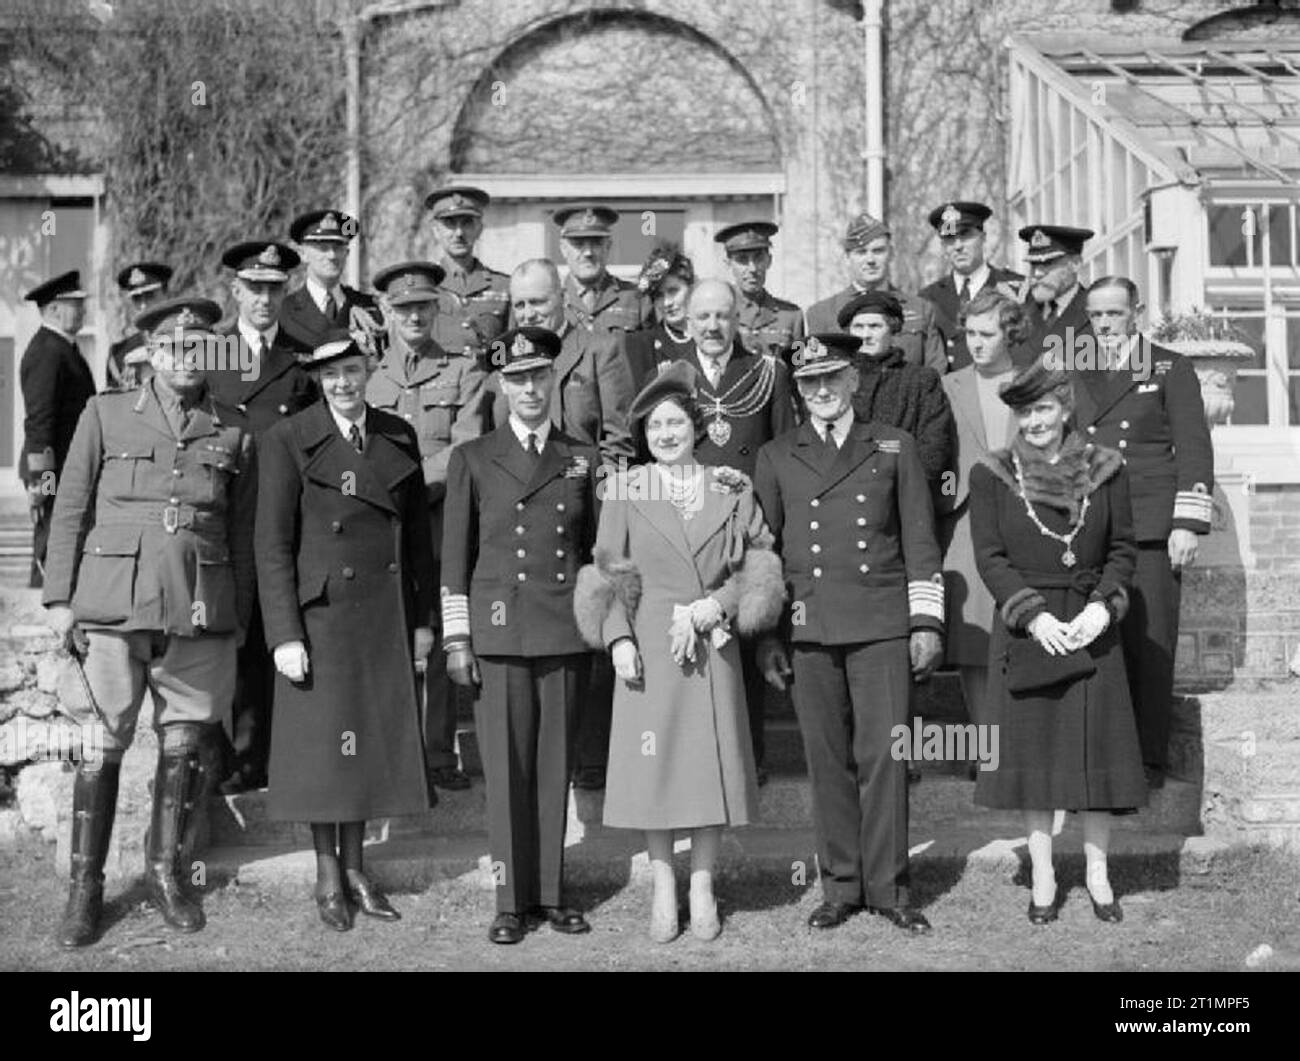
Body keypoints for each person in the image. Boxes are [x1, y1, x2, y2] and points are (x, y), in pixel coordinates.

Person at [42, 296, 257, 947]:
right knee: (103, 740)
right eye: (174, 346)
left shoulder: (235, 428)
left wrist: (238, 615)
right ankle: (86, 887)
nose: (186, 357)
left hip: (200, 604)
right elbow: (71, 504)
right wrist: (59, 598)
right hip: (112, 601)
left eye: (200, 347)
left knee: (185, 742)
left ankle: (166, 873)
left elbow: (243, 533)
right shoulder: (105, 412)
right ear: (152, 351)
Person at [574, 361, 785, 942]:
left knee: (706, 767)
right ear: (643, 437)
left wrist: (717, 605)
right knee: (657, 768)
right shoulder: (623, 488)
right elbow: (607, 569)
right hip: (648, 648)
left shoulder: (731, 487)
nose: (665, 435)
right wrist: (617, 637)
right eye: (654, 428)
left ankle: (703, 883)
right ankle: (664, 884)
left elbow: (759, 560)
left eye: (675, 423)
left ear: (696, 427)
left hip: (710, 645)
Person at [754, 333, 944, 934]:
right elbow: (765, 554)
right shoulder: (778, 454)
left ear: (855, 381)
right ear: (799, 391)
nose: (823, 390)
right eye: (810, 382)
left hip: (882, 624)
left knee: (885, 757)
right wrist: (766, 636)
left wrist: (926, 621)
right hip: (809, 627)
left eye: (833, 377)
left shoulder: (892, 444)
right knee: (827, 760)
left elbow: (919, 539)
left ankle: (889, 887)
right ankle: (840, 885)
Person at [255, 331, 435, 931]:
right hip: (321, 617)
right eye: (331, 375)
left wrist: (424, 622)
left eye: (352, 371)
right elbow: (273, 545)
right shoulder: (289, 438)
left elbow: (417, 544)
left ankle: (358, 869)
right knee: (324, 753)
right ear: (318, 380)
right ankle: (327, 872)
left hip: (382, 615)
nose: (343, 383)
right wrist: (284, 634)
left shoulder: (396, 434)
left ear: (368, 371)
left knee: (363, 744)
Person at [441, 326, 602, 945]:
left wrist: (601, 626)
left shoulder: (582, 457)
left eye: (539, 376)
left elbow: (594, 551)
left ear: (553, 380)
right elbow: (454, 561)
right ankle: (510, 901)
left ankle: (553, 894)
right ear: (501, 386)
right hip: (498, 636)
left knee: (554, 767)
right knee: (506, 773)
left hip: (562, 631)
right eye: (517, 379)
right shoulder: (473, 458)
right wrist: (458, 641)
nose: (530, 389)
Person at [970, 360, 1144, 924]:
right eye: (1024, 411)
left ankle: (1098, 873)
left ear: (1065, 409)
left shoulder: (1106, 469)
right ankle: (1043, 874)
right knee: (1036, 754)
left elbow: (1123, 549)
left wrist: (1103, 607)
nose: (1035, 420)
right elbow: (990, 558)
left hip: (1091, 625)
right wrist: (1032, 616)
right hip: (1031, 627)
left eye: (1044, 408)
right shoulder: (992, 473)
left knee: (1097, 752)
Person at [1073, 276, 1214, 788]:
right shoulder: (1076, 367)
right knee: (1095, 641)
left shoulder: (1169, 367)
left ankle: (1149, 762)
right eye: (1096, 315)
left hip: (1151, 526)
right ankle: (1103, 759)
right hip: (1090, 525)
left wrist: (1187, 523)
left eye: (1114, 313)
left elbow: (1193, 446)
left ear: (1137, 311)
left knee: (1149, 645)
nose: (1105, 324)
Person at [670, 277, 797, 785]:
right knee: (693, 644)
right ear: (687, 321)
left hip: (749, 533)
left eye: (722, 315)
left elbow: (785, 452)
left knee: (746, 646)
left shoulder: (767, 373)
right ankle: (695, 763)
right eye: (702, 317)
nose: (712, 326)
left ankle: (749, 759)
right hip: (689, 533)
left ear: (737, 316)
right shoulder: (670, 377)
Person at [367, 260, 488, 791]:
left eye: (422, 306)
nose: (413, 316)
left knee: (438, 637)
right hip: (382, 528)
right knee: (387, 636)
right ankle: (391, 755)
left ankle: (438, 753)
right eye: (403, 308)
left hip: (439, 524)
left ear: (436, 309)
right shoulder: (368, 376)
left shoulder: (463, 371)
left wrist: (410, 483)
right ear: (388, 314)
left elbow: (466, 446)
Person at [208, 238, 318, 793]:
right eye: (254, 288)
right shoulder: (210, 354)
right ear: (235, 291)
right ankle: (215, 758)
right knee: (219, 632)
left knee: (267, 636)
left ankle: (259, 761)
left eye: (275, 289)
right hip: (221, 515)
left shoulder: (302, 360)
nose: (264, 299)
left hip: (278, 518)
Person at [936, 290, 1025, 736]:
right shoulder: (948, 385)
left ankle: (1018, 743)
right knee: (971, 637)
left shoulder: (1036, 380)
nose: (976, 343)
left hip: (1024, 520)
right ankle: (984, 743)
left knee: (1021, 627)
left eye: (987, 334)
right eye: (970, 333)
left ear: (1009, 332)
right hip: (966, 524)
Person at [18, 270, 95, 590]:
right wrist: (42, 482)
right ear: (53, 310)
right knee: (51, 539)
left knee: (64, 537)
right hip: (53, 471)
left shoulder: (64, 349)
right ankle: (41, 610)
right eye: (75, 305)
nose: (83, 311)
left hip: (65, 466)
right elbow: (40, 421)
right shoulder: (48, 352)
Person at [837, 290, 954, 485]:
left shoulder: (921, 381)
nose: (866, 335)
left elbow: (935, 448)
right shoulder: (835, 379)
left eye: (875, 326)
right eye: (858, 327)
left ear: (892, 330)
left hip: (903, 494)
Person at [805, 213, 945, 374]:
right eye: (861, 252)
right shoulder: (821, 314)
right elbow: (811, 373)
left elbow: (937, 371)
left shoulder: (921, 309)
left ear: (891, 253)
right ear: (847, 257)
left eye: (878, 251)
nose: (870, 260)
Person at [919, 202, 1024, 372]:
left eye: (966, 236)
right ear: (943, 246)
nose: (958, 246)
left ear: (983, 237)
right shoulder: (928, 298)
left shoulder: (1015, 290)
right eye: (950, 239)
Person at [424, 186, 511, 359]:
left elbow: (506, 352)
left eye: (467, 223)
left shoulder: (503, 287)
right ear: (435, 230)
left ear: (480, 228)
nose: (459, 233)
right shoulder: (425, 287)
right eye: (449, 223)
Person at [280, 209, 383, 351]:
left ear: (347, 253)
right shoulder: (283, 311)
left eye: (338, 247)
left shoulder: (369, 307)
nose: (332, 255)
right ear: (303, 254)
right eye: (322, 248)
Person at [714, 221, 805, 369]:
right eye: (742, 260)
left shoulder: (791, 316)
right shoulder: (717, 314)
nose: (752, 268)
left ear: (769, 261)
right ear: (728, 263)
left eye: (758, 258)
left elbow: (798, 370)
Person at [554, 203, 645, 337]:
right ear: (563, 248)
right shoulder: (551, 300)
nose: (588, 253)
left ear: (608, 246)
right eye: (578, 244)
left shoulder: (636, 299)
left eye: (596, 243)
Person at [1017, 224, 1095, 362]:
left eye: (1047, 264)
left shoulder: (1096, 314)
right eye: (1033, 264)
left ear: (1075, 264)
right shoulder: (1018, 316)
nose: (1037, 273)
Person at [623, 241, 695, 388]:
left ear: (691, 288)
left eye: (673, 291)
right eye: (659, 296)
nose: (667, 303)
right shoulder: (642, 345)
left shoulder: (713, 334)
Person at [107, 262, 172, 390]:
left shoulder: (191, 340)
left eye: (149, 295)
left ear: (166, 293)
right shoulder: (119, 354)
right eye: (136, 298)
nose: (143, 305)